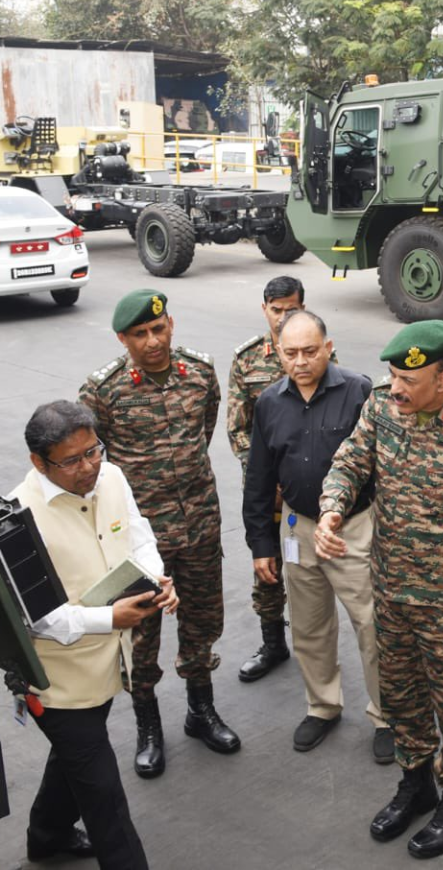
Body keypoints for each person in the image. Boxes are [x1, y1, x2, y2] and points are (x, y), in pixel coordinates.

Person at [314, 320, 443, 860]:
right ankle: (416, 783)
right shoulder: (382, 407)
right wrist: (332, 509)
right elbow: (350, 461)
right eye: (392, 376)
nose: (398, 388)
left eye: (411, 380)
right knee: (402, 692)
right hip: (392, 586)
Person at [79, 289, 240, 779]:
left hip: (199, 524)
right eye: (140, 334)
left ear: (172, 324)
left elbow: (205, 429)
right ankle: (148, 725)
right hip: (140, 537)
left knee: (202, 621)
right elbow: (94, 463)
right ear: (123, 339)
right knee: (141, 634)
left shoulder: (199, 372)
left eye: (159, 328)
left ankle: (200, 710)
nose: (153, 341)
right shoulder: (103, 391)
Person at [13, 400, 173, 870]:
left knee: (73, 761)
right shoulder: (17, 519)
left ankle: (47, 836)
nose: (89, 467)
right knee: (103, 795)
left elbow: (140, 536)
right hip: (58, 683)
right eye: (72, 460)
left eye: (93, 451)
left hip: (109, 662)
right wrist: (110, 620)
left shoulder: (113, 477)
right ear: (38, 463)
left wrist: (156, 580)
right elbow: (37, 618)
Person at [242, 310, 389, 762]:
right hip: (297, 528)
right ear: (278, 352)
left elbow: (382, 467)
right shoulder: (269, 402)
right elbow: (259, 479)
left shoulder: (358, 391)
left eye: (310, 351)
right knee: (308, 627)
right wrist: (261, 545)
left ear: (328, 347)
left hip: (353, 529)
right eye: (290, 353)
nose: (301, 361)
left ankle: (388, 715)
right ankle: (322, 706)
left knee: (372, 625)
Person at [226, 275, 307, 684]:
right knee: (267, 563)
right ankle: (272, 642)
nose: (283, 317)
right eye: (276, 310)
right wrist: (266, 479)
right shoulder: (247, 360)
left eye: (291, 309)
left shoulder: (315, 352)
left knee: (313, 568)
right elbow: (236, 430)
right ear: (265, 310)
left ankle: (315, 644)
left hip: (305, 490)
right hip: (265, 491)